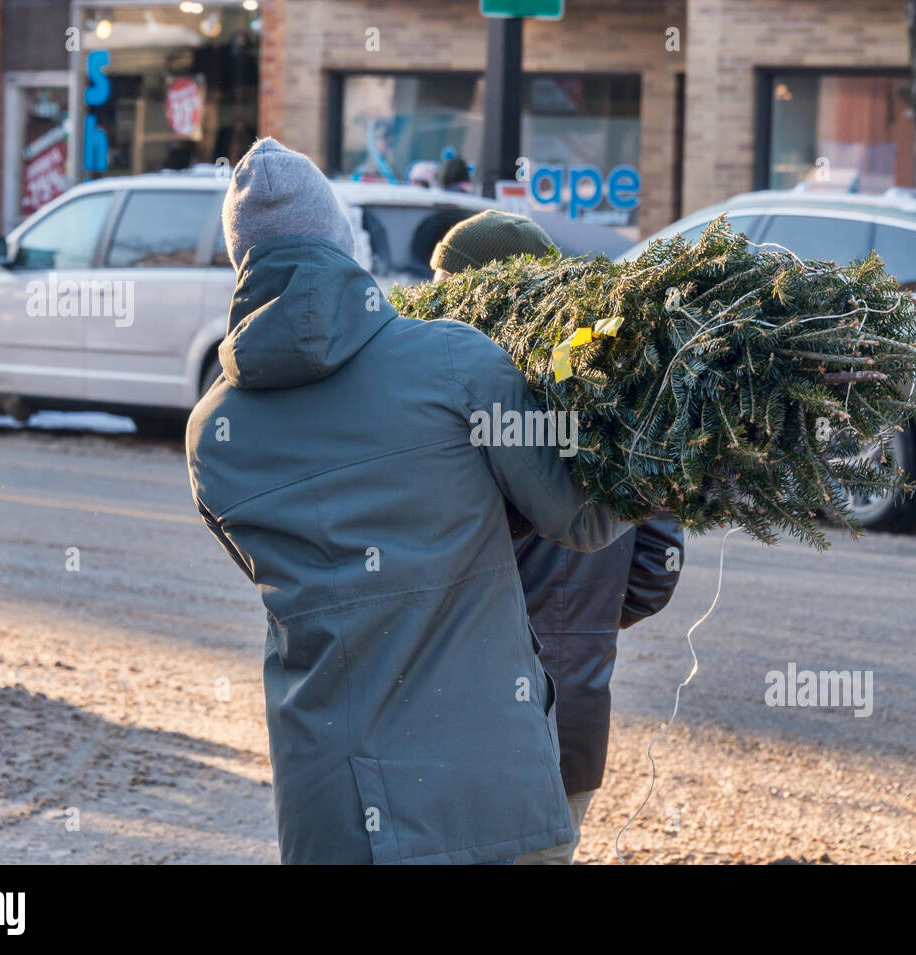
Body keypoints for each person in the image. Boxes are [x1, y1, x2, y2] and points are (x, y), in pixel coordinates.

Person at [185, 139, 630, 864]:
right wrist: (670, 453)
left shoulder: (212, 435)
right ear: (343, 243)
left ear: (242, 262)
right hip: (487, 794)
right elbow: (581, 517)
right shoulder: (453, 360)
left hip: (332, 809)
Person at [431, 211, 685, 864]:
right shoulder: (609, 404)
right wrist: (582, 626)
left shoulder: (447, 408)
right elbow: (655, 570)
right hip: (570, 733)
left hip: (455, 734)